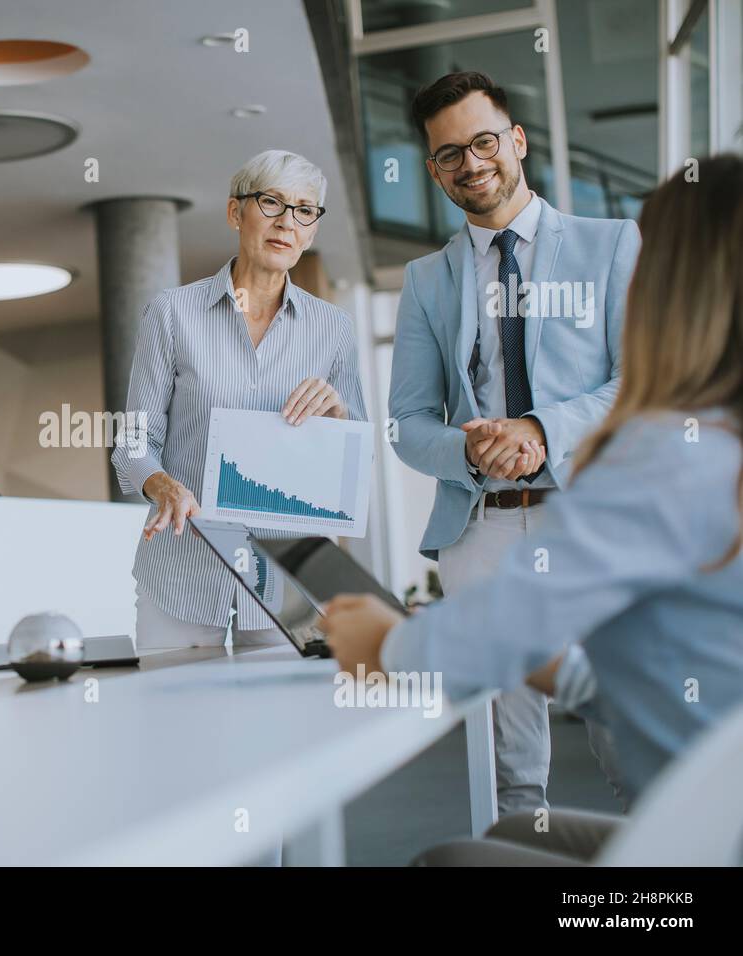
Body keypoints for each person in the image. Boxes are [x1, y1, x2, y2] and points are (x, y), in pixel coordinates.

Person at [323, 154, 743, 864]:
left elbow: (472, 644)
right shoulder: (714, 444)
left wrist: (387, 648)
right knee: (513, 828)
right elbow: (689, 669)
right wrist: (553, 663)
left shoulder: (667, 454)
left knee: (450, 862)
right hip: (718, 823)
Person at [387, 71, 640, 815]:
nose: (471, 163)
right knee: (506, 762)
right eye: (449, 154)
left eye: (484, 140)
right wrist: (471, 452)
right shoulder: (426, 279)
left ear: (517, 140)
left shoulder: (612, 244)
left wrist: (538, 430)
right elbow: (407, 422)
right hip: (481, 529)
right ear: (434, 170)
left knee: (625, 731)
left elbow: (644, 383)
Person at [111, 149, 368, 650]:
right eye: (270, 202)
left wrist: (338, 414)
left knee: (280, 727)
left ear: (312, 229)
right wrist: (161, 484)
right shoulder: (170, 314)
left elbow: (356, 460)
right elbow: (133, 444)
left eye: (304, 210)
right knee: (171, 723)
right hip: (183, 570)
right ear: (236, 213)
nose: (286, 222)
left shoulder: (333, 329)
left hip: (288, 574)